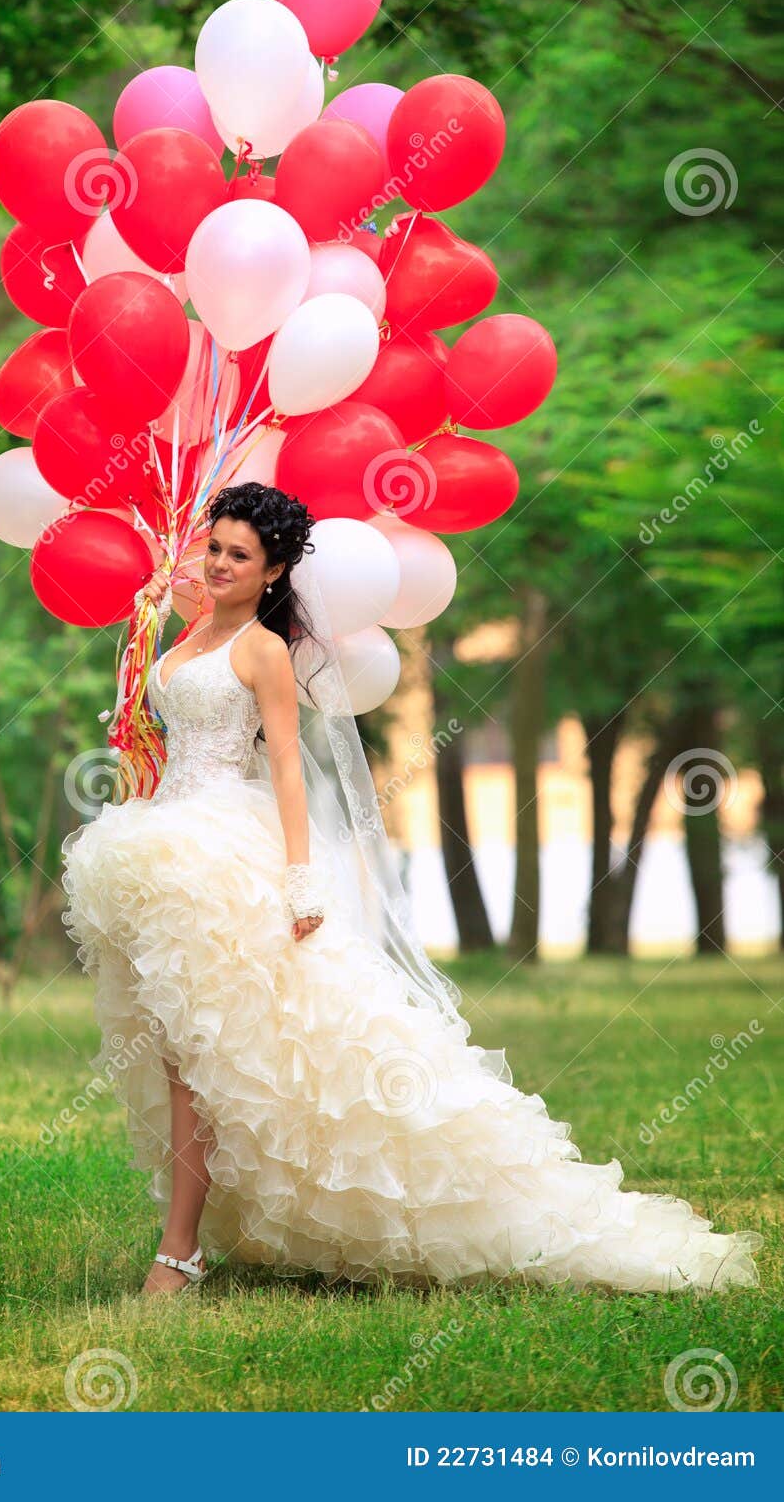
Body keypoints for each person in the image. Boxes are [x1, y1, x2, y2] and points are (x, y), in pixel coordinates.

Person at [61, 482, 760, 1298]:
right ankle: (212, 1229)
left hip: (222, 849)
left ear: (274, 570)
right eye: (212, 546)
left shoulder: (260, 649)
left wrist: (297, 877)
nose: (216, 562)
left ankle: (177, 1251)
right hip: (163, 841)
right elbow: (155, 720)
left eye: (237, 555)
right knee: (193, 1054)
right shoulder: (189, 633)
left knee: (202, 1056)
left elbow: (285, 762)